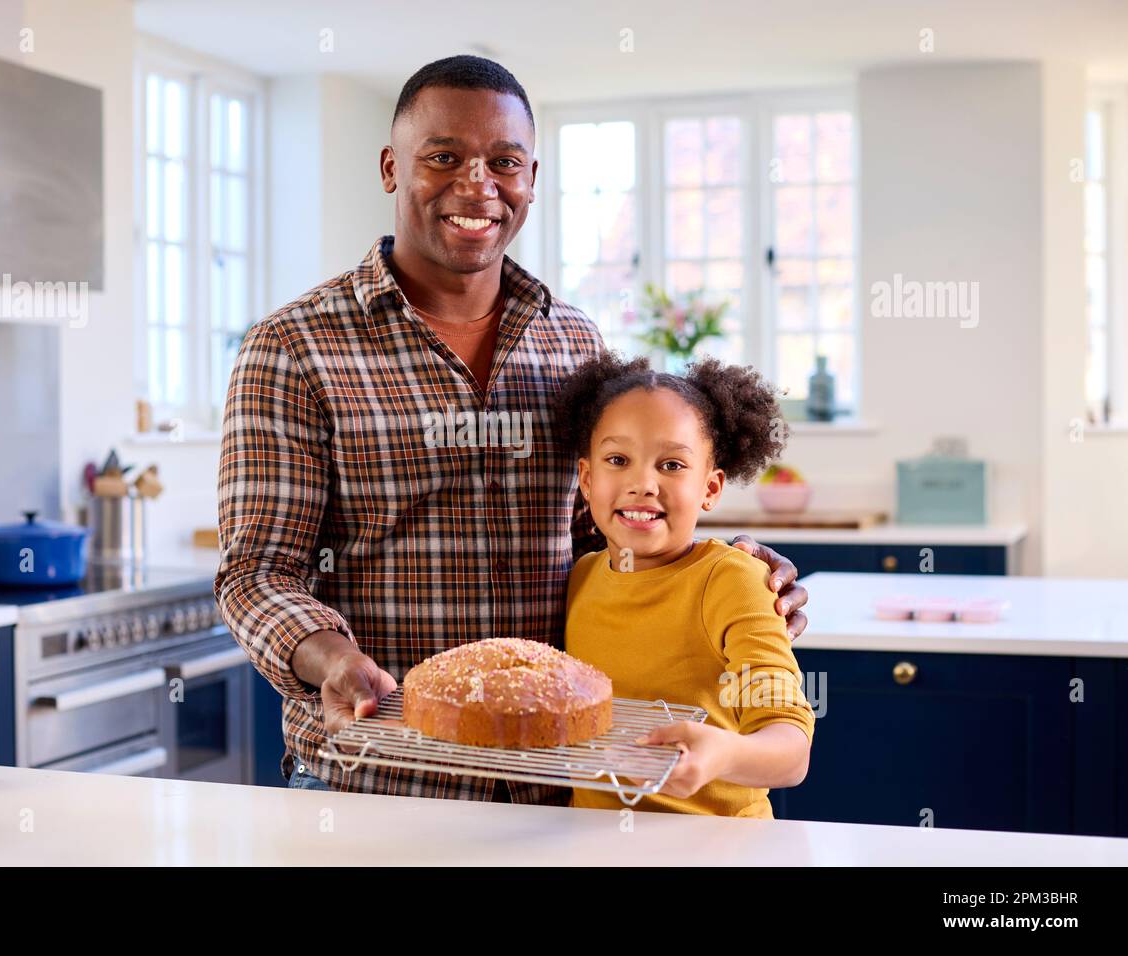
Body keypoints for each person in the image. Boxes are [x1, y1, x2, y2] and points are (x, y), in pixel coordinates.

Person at [215, 55, 810, 803]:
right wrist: (332, 658)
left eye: (505, 162)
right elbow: (257, 572)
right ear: (392, 167)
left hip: (556, 788)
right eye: (444, 157)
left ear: (531, 178)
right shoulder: (293, 347)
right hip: (375, 783)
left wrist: (719, 575)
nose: (477, 185)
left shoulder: (574, 342)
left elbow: (607, 537)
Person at [557, 351, 813, 816]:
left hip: (721, 851)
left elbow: (792, 752)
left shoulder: (732, 580)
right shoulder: (580, 579)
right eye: (618, 459)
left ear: (711, 489)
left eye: (672, 465)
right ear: (587, 480)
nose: (643, 484)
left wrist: (725, 754)